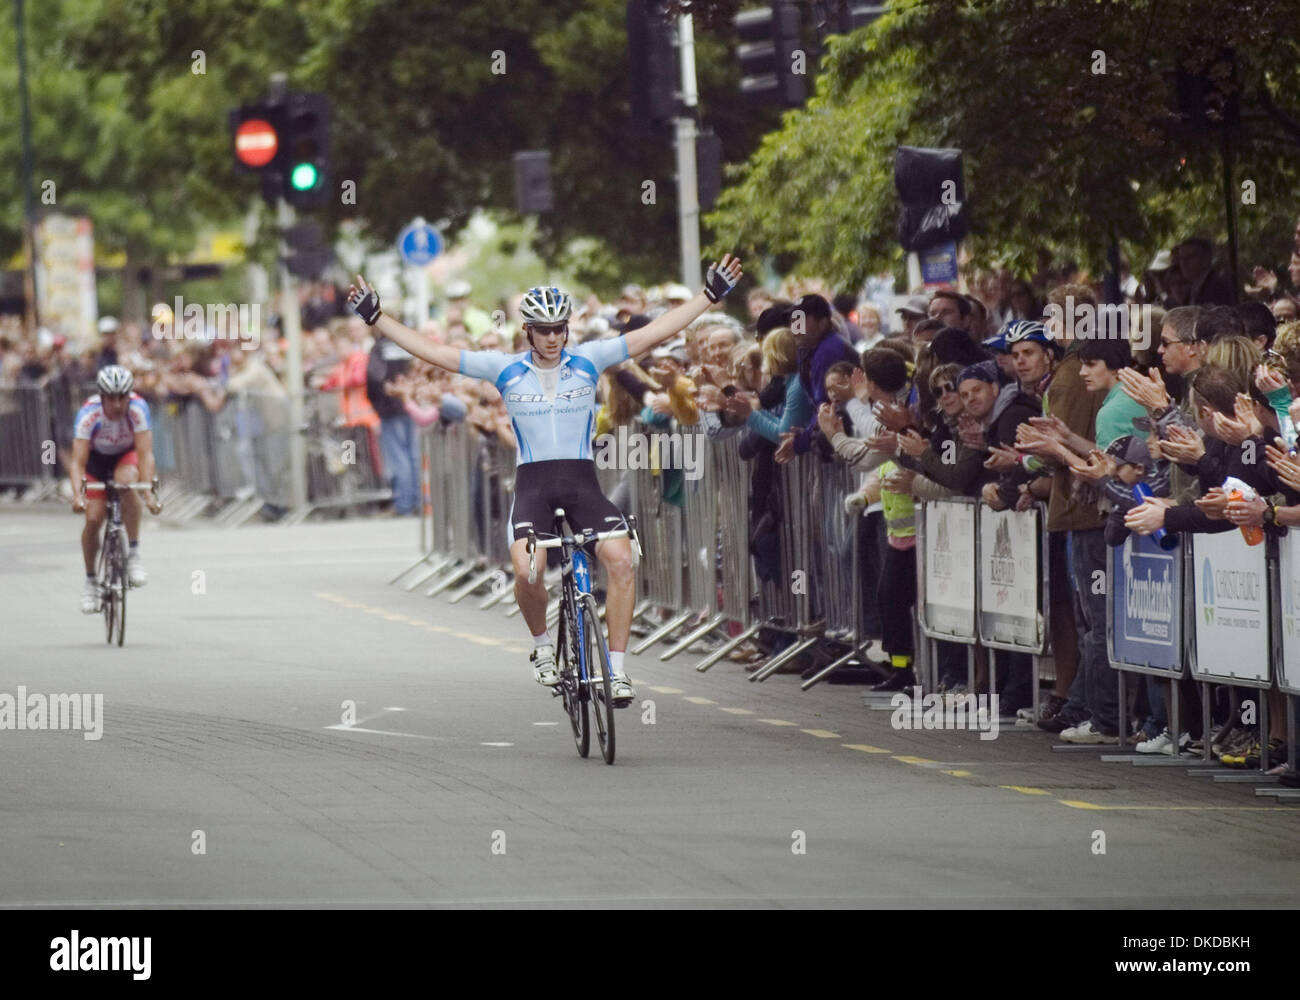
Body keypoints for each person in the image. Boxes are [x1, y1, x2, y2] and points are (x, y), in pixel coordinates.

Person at [346, 256, 743, 705]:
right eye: (543, 329)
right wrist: (378, 318)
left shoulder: (591, 359)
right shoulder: (504, 368)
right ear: (528, 331)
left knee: (621, 560)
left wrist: (709, 296)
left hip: (582, 485)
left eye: (559, 328)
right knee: (527, 570)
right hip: (533, 487)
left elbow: (654, 333)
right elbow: (435, 352)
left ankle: (615, 671)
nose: (553, 337)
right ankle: (540, 648)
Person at [68, 366, 162, 614]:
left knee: (126, 483)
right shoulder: (89, 413)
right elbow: (77, 462)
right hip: (95, 462)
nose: (118, 404)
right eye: (112, 397)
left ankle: (133, 553)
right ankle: (90, 581)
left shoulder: (138, 408)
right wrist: (78, 496)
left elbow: (145, 454)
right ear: (102, 396)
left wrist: (149, 493)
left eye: (123, 397)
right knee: (94, 517)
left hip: (124, 456)